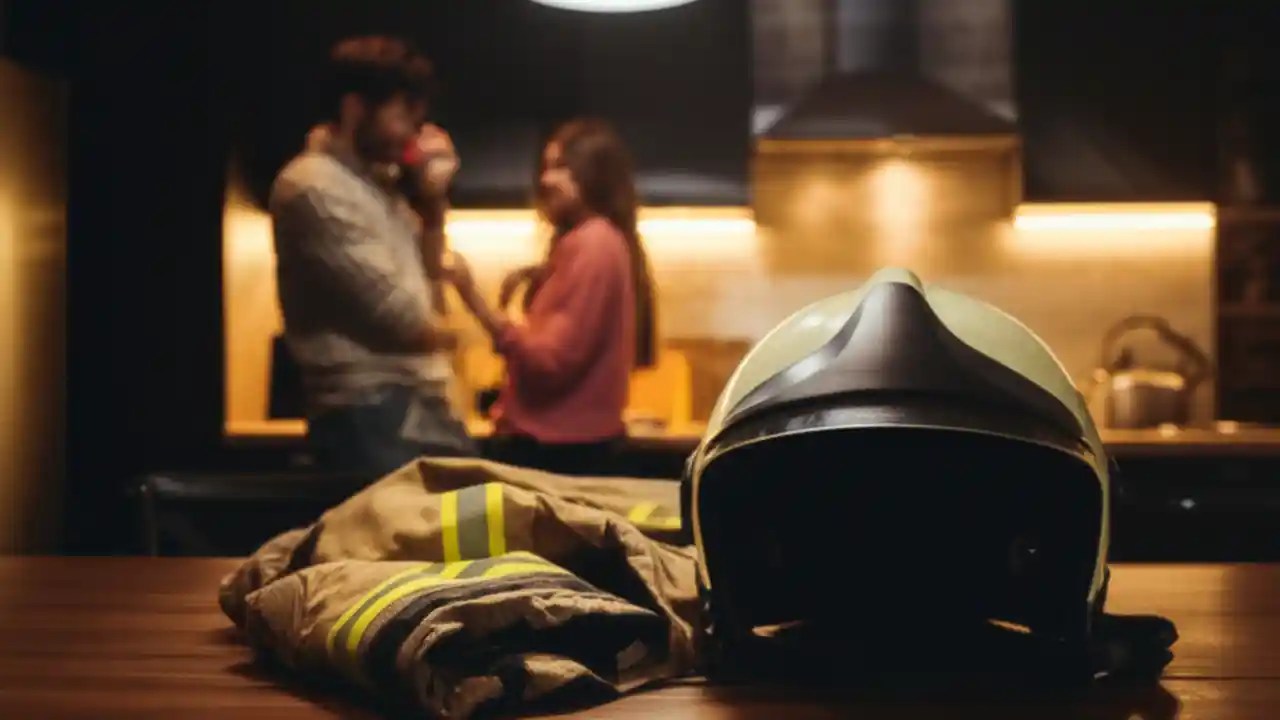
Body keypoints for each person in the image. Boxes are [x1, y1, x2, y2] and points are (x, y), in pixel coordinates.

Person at [269, 36, 475, 478]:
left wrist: (433, 206)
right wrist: (455, 336)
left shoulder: (379, 187)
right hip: (369, 415)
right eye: (402, 116)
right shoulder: (314, 187)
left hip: (416, 406)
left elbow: (431, 288)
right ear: (355, 109)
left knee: (481, 522)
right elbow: (409, 320)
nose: (412, 134)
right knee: (431, 526)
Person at [445, 119, 657, 476]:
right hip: (572, 448)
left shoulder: (593, 244)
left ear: (593, 175)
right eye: (546, 167)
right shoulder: (597, 242)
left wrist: (472, 297)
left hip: (556, 452)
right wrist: (543, 277)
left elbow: (548, 363)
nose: (545, 180)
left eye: (561, 167)